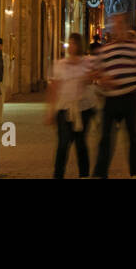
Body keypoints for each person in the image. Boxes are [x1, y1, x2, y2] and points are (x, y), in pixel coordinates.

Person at [93, 14, 136, 179]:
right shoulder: (105, 50)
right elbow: (96, 71)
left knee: (134, 137)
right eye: (114, 24)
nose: (116, 27)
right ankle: (100, 173)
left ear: (126, 27)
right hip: (110, 99)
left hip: (130, 97)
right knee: (105, 138)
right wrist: (102, 79)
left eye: (120, 24)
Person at [45, 33, 99, 179]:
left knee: (81, 144)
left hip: (84, 109)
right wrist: (50, 111)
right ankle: (58, 174)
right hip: (64, 109)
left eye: (74, 43)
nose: (71, 46)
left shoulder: (87, 62)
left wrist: (89, 78)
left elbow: (97, 75)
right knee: (63, 144)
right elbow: (54, 87)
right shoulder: (60, 64)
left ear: (80, 45)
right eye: (70, 43)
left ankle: (84, 175)